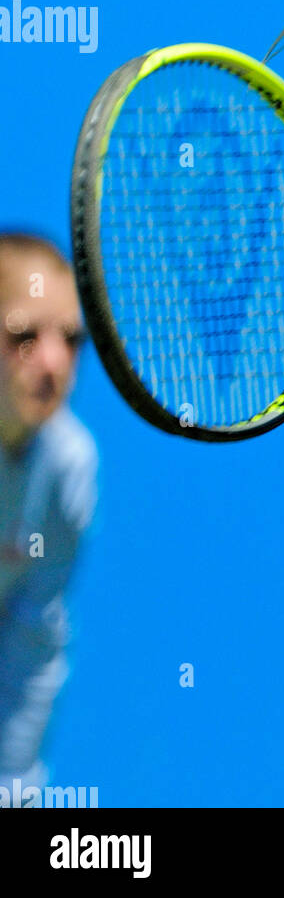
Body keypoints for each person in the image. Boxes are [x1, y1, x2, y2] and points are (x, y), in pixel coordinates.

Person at [0, 233, 97, 799]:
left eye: (72, 338)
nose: (53, 361)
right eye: (22, 335)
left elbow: (32, 641)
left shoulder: (69, 469)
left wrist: (14, 792)